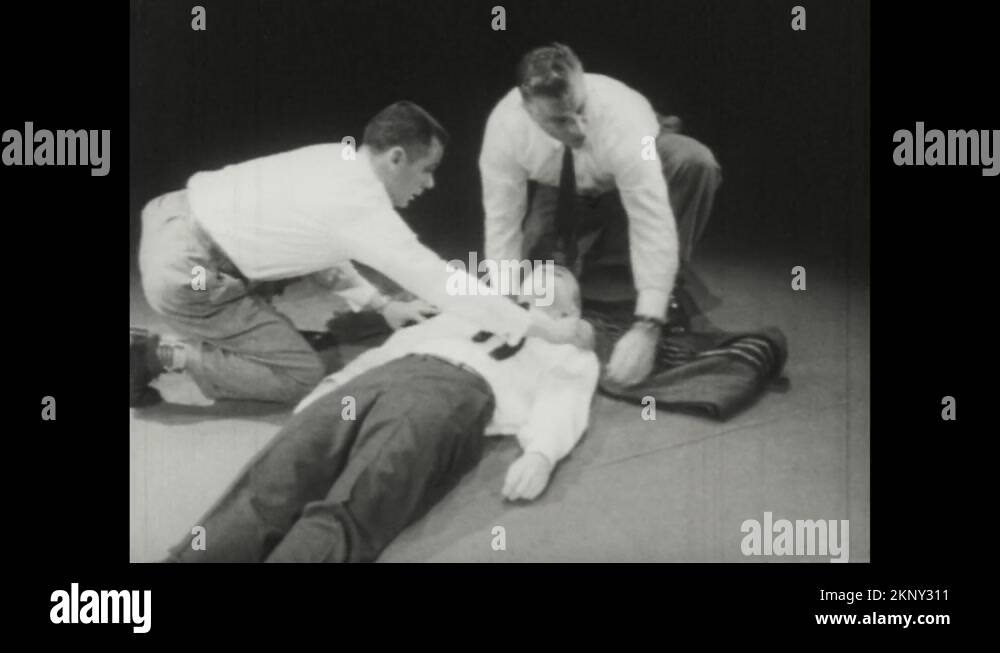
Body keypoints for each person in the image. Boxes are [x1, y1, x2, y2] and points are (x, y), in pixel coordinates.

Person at [131, 101, 581, 407]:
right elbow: (440, 282)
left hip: (170, 216)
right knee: (301, 375)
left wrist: (381, 305)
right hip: (188, 274)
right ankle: (159, 354)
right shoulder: (360, 204)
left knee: (281, 295)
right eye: (427, 171)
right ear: (397, 158)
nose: (430, 184)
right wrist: (541, 328)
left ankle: (234, 331)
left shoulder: (338, 159)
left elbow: (319, 245)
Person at [165, 265, 598, 562]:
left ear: (571, 311)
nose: (546, 271)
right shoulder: (468, 314)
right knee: (277, 474)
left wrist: (542, 453)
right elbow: (389, 350)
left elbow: (566, 397)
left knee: (358, 499)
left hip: (449, 393)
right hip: (381, 378)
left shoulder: (564, 346)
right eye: (539, 270)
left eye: (559, 274)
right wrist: (331, 389)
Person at [479, 43, 723, 387]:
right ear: (528, 107)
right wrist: (502, 308)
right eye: (561, 120)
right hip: (561, 185)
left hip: (636, 161)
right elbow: (501, 221)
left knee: (693, 161)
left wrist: (648, 325)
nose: (579, 129)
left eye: (581, 109)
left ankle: (666, 290)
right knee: (538, 286)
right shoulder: (505, 128)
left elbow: (649, 218)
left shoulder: (620, 119)